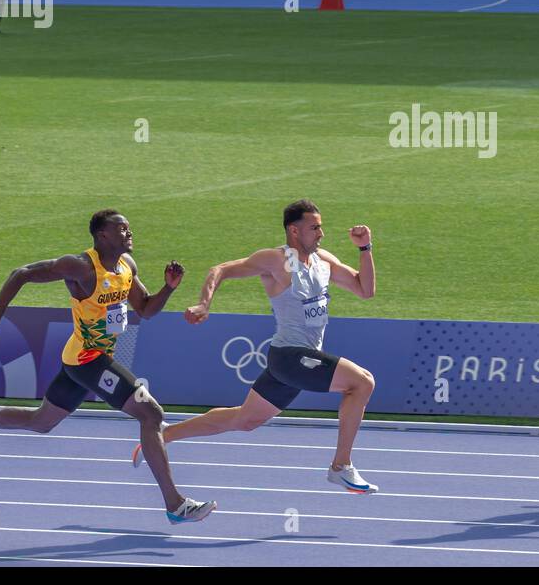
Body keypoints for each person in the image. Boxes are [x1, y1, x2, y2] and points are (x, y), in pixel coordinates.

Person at [0, 210, 216, 524]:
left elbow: (145, 310)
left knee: (40, 422)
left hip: (81, 359)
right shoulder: (81, 267)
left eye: (129, 227)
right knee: (151, 413)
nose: (129, 232)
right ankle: (175, 504)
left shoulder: (127, 266)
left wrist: (168, 288)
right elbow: (22, 272)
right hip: (88, 359)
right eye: (121, 228)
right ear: (103, 236)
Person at [133, 200, 379, 493]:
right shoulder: (276, 260)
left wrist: (365, 248)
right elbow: (220, 269)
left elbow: (366, 290)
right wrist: (204, 303)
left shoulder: (323, 261)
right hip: (291, 356)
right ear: (294, 230)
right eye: (314, 227)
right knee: (362, 383)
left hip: (292, 362)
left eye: (321, 227)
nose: (321, 233)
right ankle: (341, 466)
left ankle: (164, 434)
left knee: (244, 420)